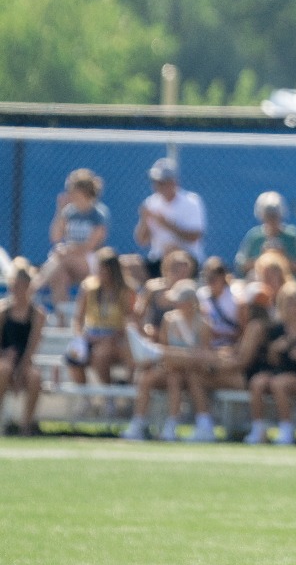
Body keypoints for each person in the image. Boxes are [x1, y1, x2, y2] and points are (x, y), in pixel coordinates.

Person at [124, 285, 216, 441]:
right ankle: (138, 423)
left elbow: (203, 357)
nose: (176, 304)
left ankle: (172, 426)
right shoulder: (169, 319)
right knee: (147, 379)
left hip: (192, 371)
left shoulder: (203, 324)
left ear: (190, 302)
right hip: (170, 368)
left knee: (175, 376)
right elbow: (165, 344)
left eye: (180, 301)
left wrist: (177, 361)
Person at [244, 283, 296, 444]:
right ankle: (258, 429)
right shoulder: (277, 328)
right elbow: (272, 361)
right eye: (286, 302)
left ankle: (286, 429)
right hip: (278, 371)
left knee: (278, 384)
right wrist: (275, 349)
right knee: (257, 382)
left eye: (293, 301)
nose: (290, 306)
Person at [42, 170, 109, 311]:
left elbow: (91, 246)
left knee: (60, 261)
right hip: (70, 259)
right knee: (60, 276)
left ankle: (34, 286)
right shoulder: (69, 212)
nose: (69, 193)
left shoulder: (97, 214)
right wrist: (60, 210)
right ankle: (62, 318)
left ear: (82, 191)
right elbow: (55, 237)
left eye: (72, 189)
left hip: (90, 260)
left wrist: (67, 251)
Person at [66, 247, 132, 386]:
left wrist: (111, 337)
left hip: (114, 338)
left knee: (100, 355)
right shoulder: (88, 288)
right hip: (91, 335)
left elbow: (130, 320)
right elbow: (78, 318)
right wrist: (80, 337)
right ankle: (86, 397)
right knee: (73, 357)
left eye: (104, 269)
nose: (101, 273)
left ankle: (109, 396)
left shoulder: (125, 291)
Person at [134, 158, 207, 268]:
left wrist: (166, 224)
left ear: (173, 182)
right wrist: (144, 220)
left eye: (162, 182)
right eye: (155, 182)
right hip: (158, 259)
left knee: (174, 253)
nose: (157, 186)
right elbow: (142, 241)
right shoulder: (150, 203)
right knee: (130, 264)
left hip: (187, 259)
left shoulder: (191, 202)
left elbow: (195, 236)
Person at [0, 265, 45, 434]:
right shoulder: (3, 311)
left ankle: (26, 425)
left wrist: (20, 370)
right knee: (3, 369)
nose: (16, 289)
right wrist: (5, 355)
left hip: (24, 361)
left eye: (20, 285)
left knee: (35, 377)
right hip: (4, 360)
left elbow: (32, 347)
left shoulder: (37, 314)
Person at [234, 193, 296, 278]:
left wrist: (283, 257)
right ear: (262, 216)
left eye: (274, 215)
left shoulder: (292, 236)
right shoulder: (255, 236)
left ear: (281, 215)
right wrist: (263, 258)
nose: (272, 220)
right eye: (268, 216)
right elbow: (241, 265)